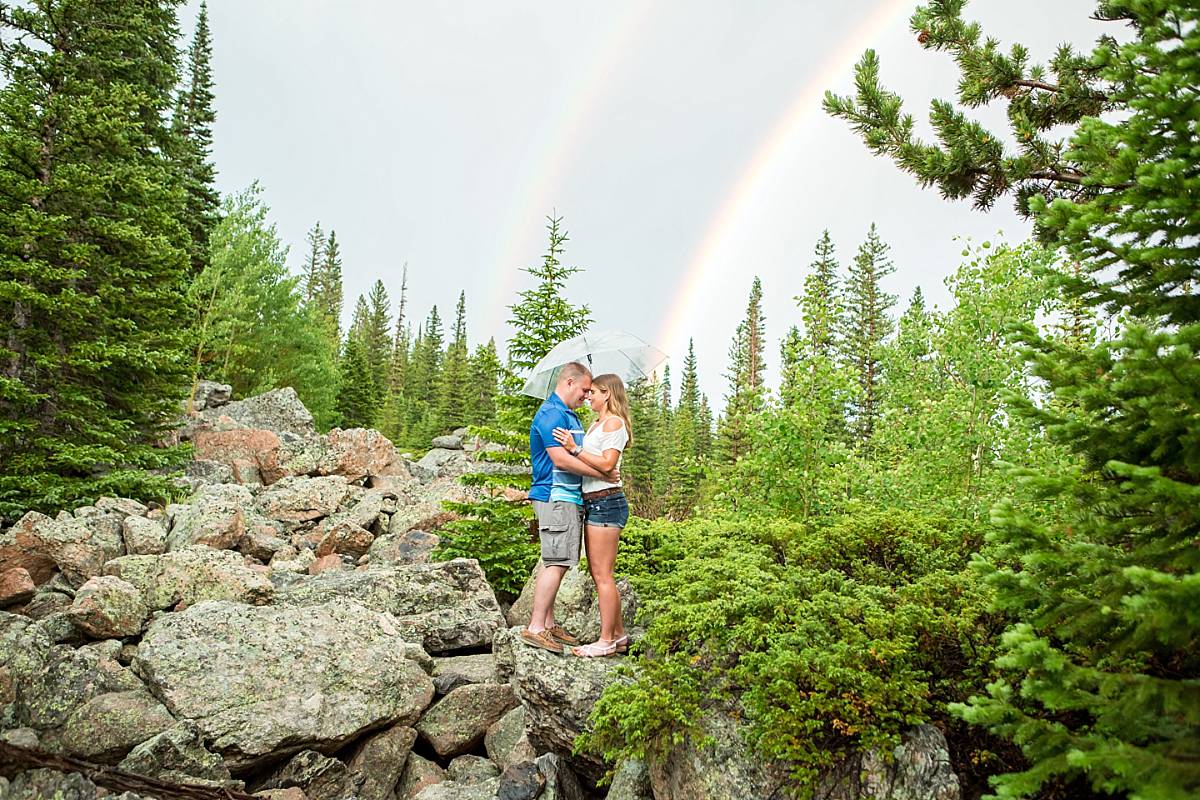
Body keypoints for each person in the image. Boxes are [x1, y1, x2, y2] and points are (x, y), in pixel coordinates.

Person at [520, 362, 618, 653]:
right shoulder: (551, 414)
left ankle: (549, 624)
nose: (587, 396)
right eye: (584, 389)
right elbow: (560, 459)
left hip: (569, 497)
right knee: (557, 561)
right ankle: (536, 628)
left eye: (591, 392)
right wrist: (602, 474)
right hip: (555, 495)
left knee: (557, 559)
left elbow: (579, 453)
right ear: (569, 383)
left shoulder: (568, 415)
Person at [551, 373, 631, 657]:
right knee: (600, 574)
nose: (588, 397)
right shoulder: (596, 423)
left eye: (593, 393)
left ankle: (606, 641)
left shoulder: (614, 423)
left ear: (607, 394)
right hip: (595, 502)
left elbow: (608, 464)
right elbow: (600, 466)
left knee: (603, 575)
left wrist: (575, 449)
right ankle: (619, 636)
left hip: (607, 503)